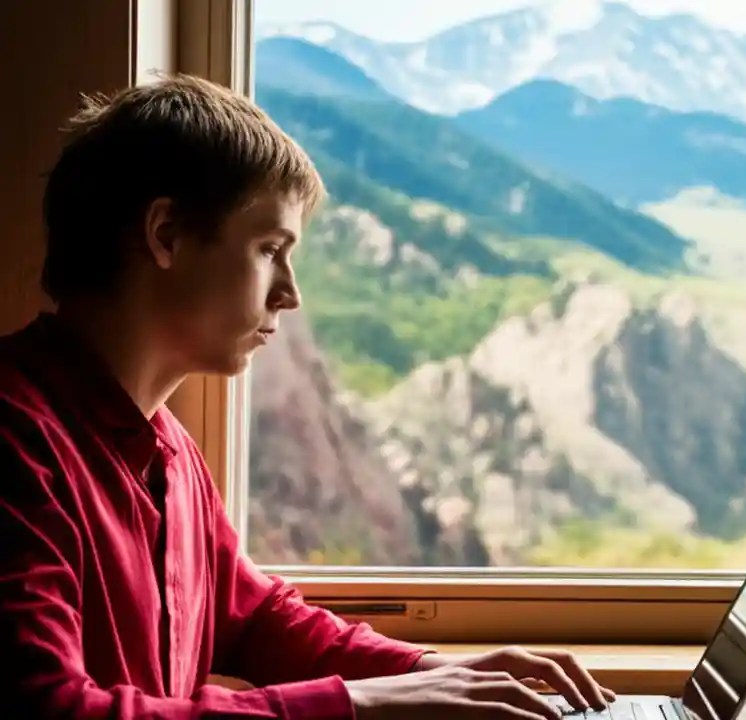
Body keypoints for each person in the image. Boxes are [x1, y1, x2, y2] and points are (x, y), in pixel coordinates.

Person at [0, 73, 615, 719]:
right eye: (270, 250)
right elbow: (54, 707)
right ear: (166, 235)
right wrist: (358, 704)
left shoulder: (165, 446)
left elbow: (253, 617)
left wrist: (432, 671)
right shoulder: (17, 443)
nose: (289, 293)